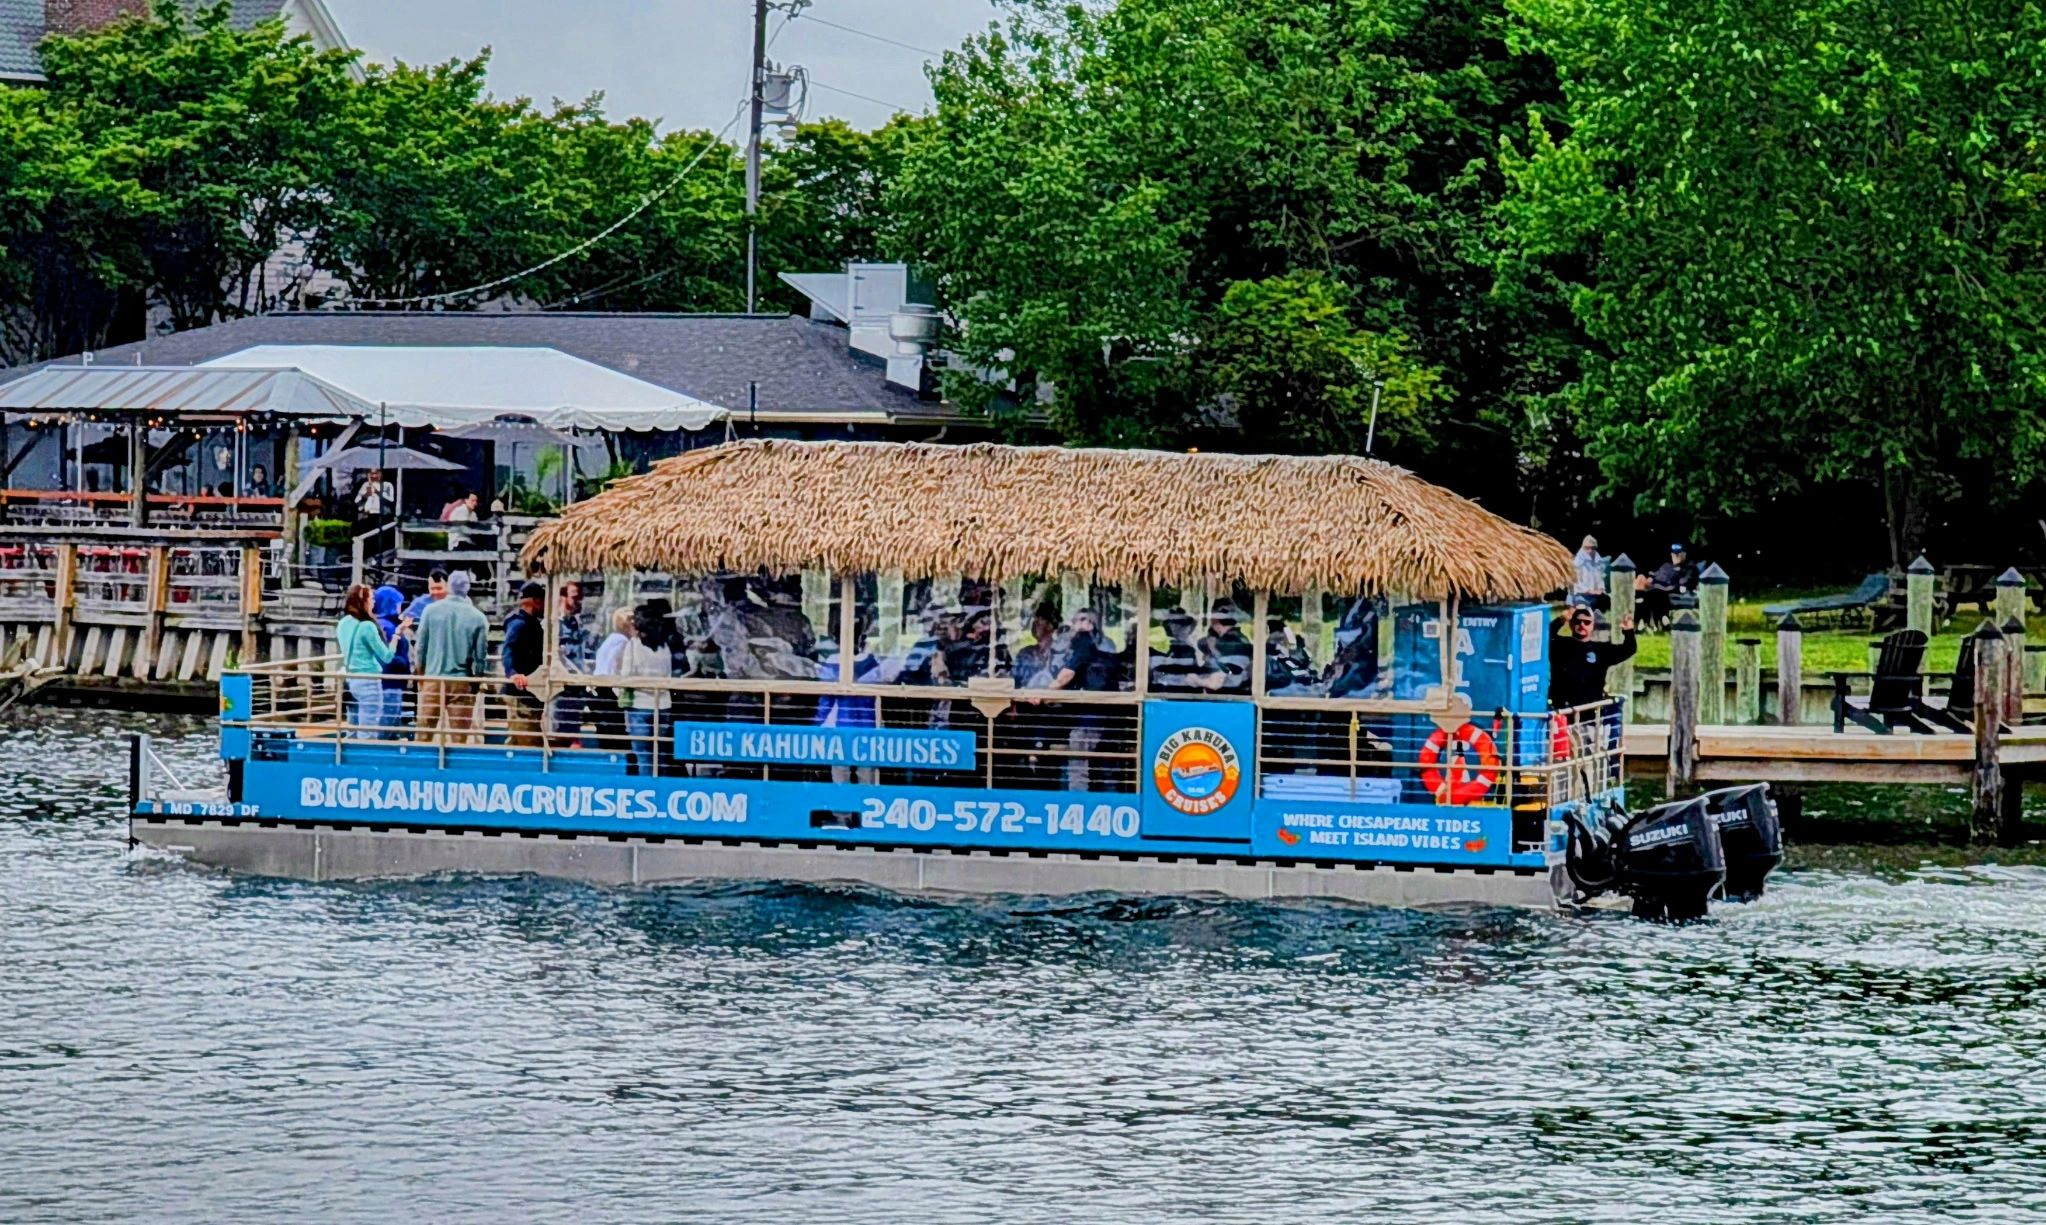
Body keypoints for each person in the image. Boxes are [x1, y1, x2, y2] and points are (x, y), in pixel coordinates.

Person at [414, 569, 490, 745]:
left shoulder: (430, 611)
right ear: (467, 588)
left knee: (424, 734)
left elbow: (420, 648)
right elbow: (480, 657)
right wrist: (476, 681)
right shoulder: (478, 617)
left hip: (433, 678)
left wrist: (421, 675)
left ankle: (421, 762)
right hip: (461, 681)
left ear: (449, 587)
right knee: (459, 738)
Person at [619, 603, 674, 775]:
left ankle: (647, 787)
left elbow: (626, 675)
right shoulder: (664, 647)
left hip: (639, 704)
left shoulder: (633, 645)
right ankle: (661, 786)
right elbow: (668, 674)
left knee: (644, 756)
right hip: (663, 705)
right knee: (661, 754)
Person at [335, 584, 398, 733]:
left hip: (350, 678)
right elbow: (387, 656)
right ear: (364, 601)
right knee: (368, 728)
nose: (374, 602)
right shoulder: (367, 626)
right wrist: (396, 637)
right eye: (371, 598)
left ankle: (349, 748)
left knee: (352, 727)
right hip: (368, 680)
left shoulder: (343, 623)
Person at [1549, 605, 1637, 710]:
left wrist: (1628, 631)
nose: (1582, 625)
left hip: (1590, 710)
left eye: (1587, 622)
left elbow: (1629, 648)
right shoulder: (1559, 645)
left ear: (1592, 625)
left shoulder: (1601, 650)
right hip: (1562, 710)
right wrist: (1561, 620)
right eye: (1578, 621)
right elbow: (1544, 637)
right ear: (1571, 624)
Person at [501, 580, 546, 748]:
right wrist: (513, 673)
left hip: (527, 691)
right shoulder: (520, 624)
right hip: (522, 692)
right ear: (535, 601)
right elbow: (508, 649)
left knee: (518, 738)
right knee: (528, 740)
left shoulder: (529, 623)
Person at [591, 607, 636, 762]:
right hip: (610, 693)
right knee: (615, 735)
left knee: (606, 735)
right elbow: (617, 668)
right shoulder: (623, 642)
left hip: (600, 691)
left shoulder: (609, 640)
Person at [553, 580, 595, 743]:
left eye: (580, 598)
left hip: (577, 683)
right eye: (574, 597)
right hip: (561, 684)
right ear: (563, 597)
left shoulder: (577, 623)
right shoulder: (553, 624)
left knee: (573, 728)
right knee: (558, 729)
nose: (578, 601)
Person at [372, 584, 413, 736]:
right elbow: (386, 657)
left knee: (390, 726)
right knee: (386, 726)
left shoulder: (384, 625)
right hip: (390, 683)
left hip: (389, 682)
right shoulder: (387, 628)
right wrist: (404, 664)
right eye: (398, 604)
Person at [1641, 542, 1700, 626]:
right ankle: (1650, 622)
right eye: (1674, 554)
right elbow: (1655, 576)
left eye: (1679, 554)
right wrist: (1650, 578)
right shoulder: (1666, 566)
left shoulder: (1690, 567)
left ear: (1684, 554)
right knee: (1647, 595)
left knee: (1658, 595)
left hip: (1675, 592)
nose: (1676, 556)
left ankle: (1663, 618)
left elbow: (1686, 581)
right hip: (1657, 590)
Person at [1201, 602, 1254, 694]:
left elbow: (1228, 673)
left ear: (1216, 624)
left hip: (1229, 693)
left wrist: (1213, 650)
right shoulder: (1240, 639)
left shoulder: (1229, 643)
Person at [1572, 535, 1608, 610]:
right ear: (1583, 547)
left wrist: (1601, 589)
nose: (1590, 550)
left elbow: (1600, 578)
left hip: (1596, 595)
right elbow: (1577, 582)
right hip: (1581, 594)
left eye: (1592, 548)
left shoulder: (1598, 560)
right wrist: (1590, 591)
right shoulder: (1578, 562)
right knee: (1583, 608)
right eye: (1587, 548)